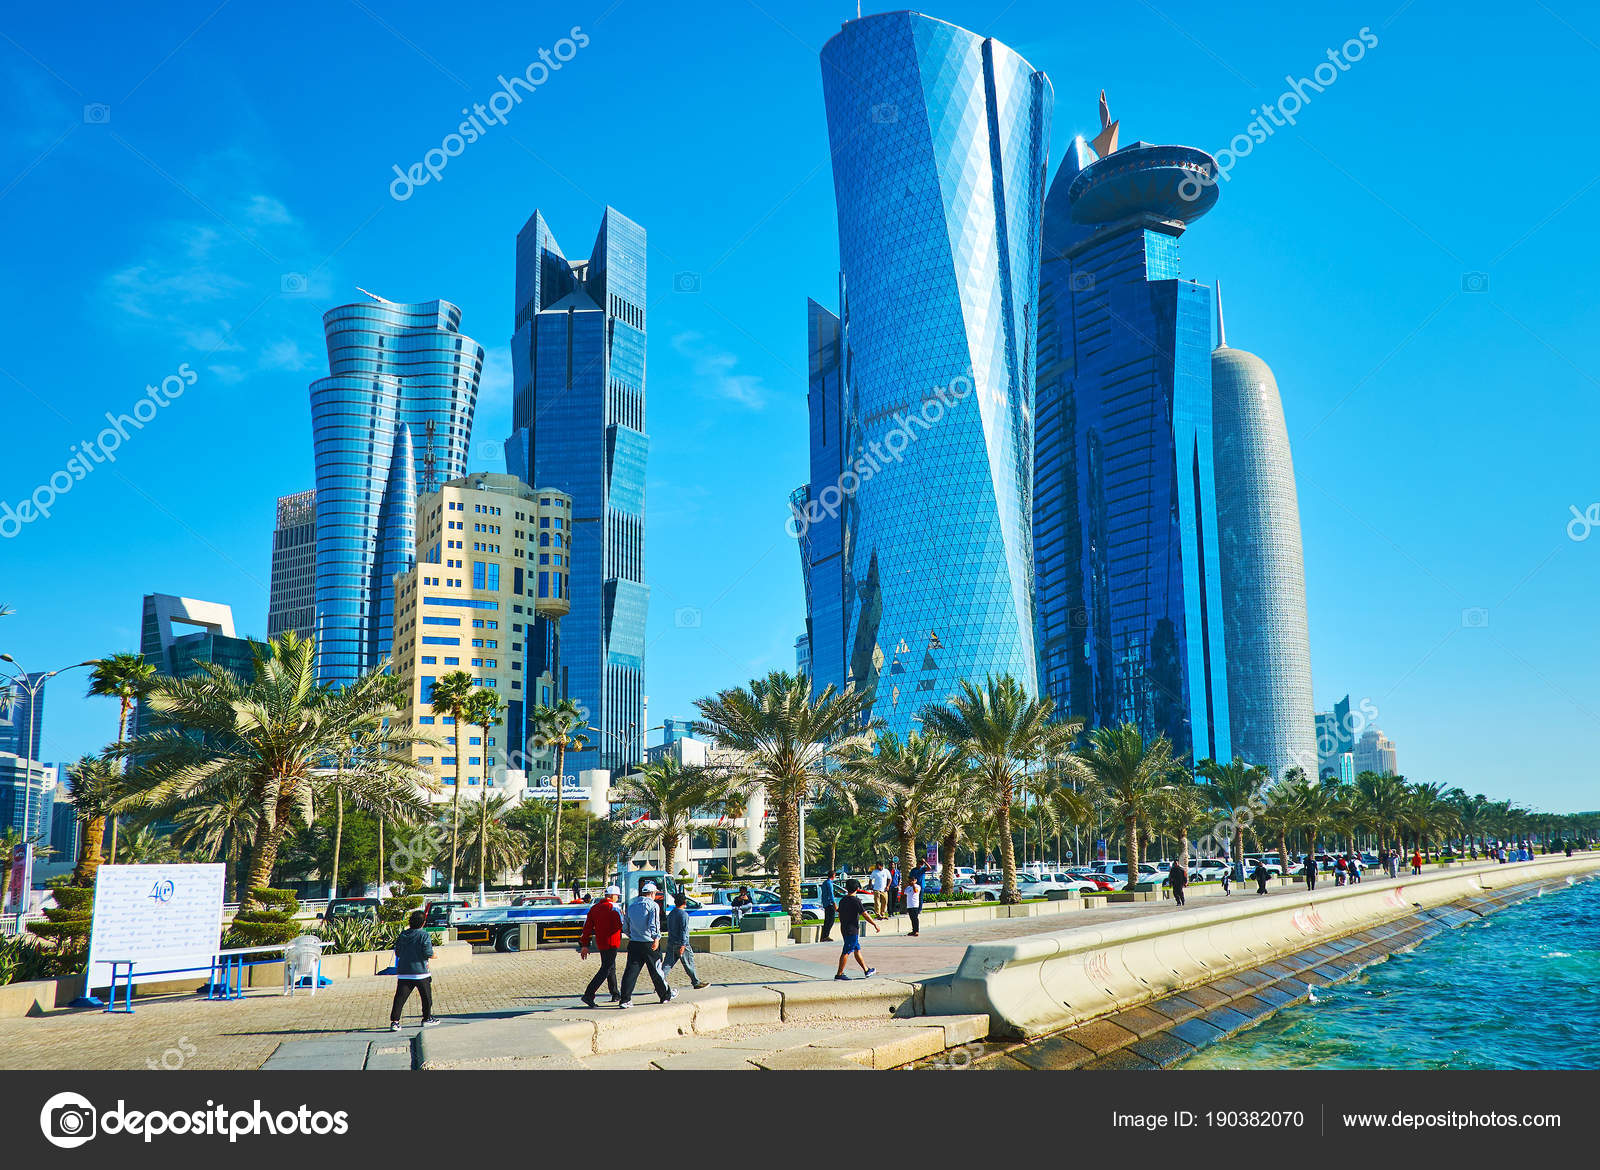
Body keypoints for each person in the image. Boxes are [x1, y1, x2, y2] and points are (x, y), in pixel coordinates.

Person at [618, 881, 674, 1008]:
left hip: (634, 943)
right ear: (652, 893)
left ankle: (625, 999)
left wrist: (632, 936)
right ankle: (665, 995)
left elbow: (625, 927)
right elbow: (654, 924)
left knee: (631, 971)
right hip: (649, 943)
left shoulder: (631, 906)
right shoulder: (653, 905)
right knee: (656, 969)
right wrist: (656, 939)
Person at [390, 910, 438, 1030]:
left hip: (404, 972)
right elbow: (427, 952)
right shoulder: (424, 935)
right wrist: (433, 955)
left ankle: (395, 1022)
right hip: (421, 972)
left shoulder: (403, 934)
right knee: (426, 997)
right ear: (423, 923)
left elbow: (398, 952)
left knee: (400, 998)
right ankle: (427, 1018)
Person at [579, 885, 624, 1008]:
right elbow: (622, 924)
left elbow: (587, 927)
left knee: (610, 966)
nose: (618, 898)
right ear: (612, 896)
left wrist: (585, 944)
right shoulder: (615, 907)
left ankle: (615, 993)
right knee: (606, 968)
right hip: (613, 941)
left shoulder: (594, 908)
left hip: (601, 942)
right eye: (617, 896)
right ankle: (589, 994)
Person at [661, 892, 709, 991]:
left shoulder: (671, 914)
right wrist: (683, 945)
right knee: (688, 963)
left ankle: (659, 982)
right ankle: (696, 982)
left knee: (667, 965)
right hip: (682, 944)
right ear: (685, 902)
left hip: (671, 942)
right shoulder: (683, 914)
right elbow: (683, 930)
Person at [833, 879, 879, 980]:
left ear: (846, 888)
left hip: (844, 929)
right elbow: (865, 914)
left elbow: (840, 915)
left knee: (857, 950)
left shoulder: (843, 900)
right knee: (846, 951)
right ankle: (839, 974)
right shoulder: (856, 901)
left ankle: (866, 970)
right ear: (857, 888)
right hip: (852, 930)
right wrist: (874, 924)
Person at [819, 870, 838, 942]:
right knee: (830, 920)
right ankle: (825, 935)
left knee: (827, 920)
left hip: (825, 903)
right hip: (829, 904)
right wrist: (834, 904)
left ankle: (824, 936)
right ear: (833, 875)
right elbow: (831, 894)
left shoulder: (824, 883)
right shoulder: (829, 883)